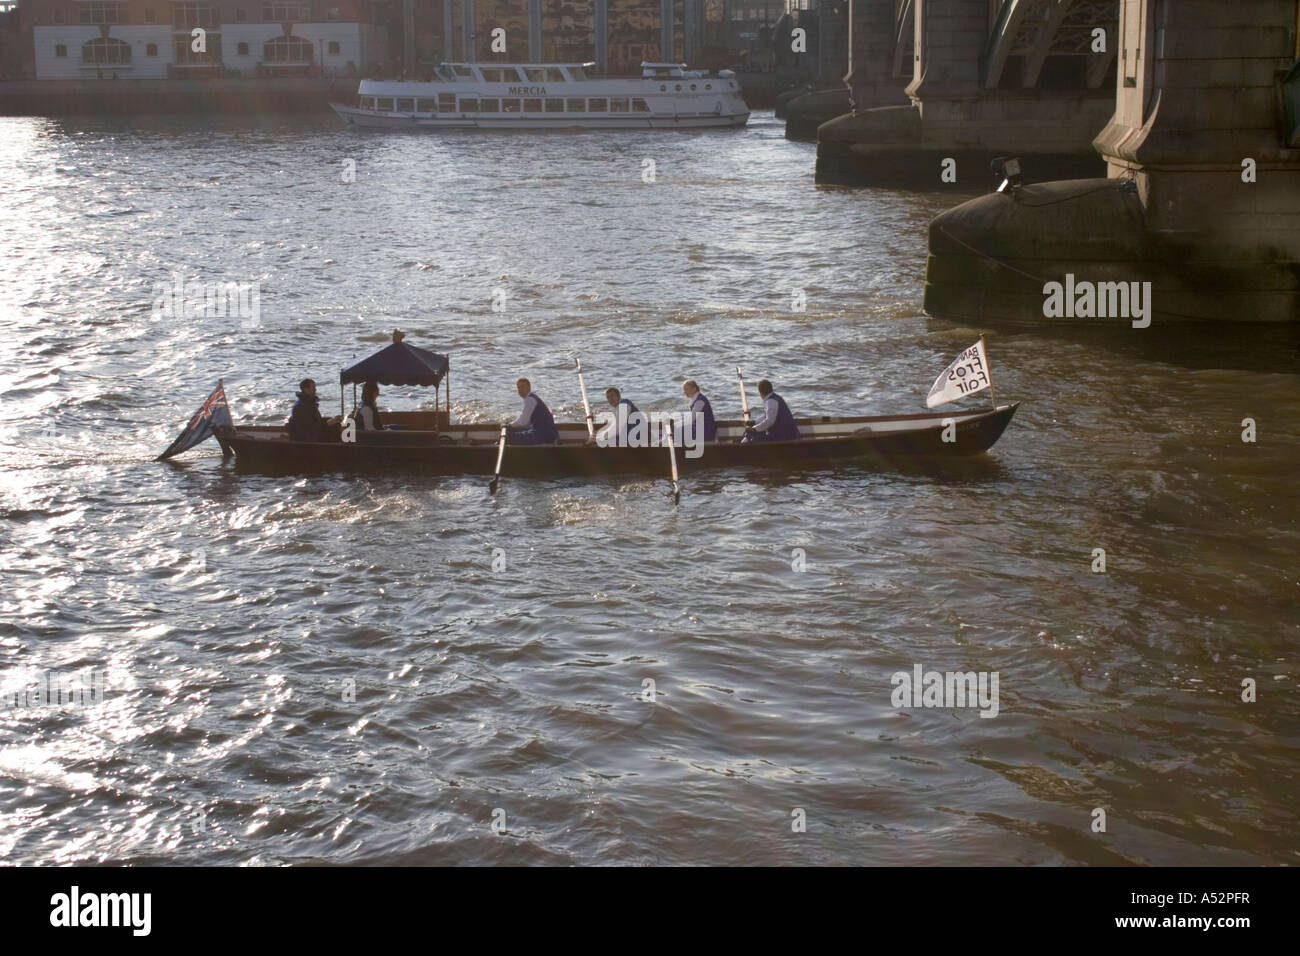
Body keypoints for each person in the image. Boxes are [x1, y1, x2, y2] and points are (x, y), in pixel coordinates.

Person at [506, 377, 558, 445]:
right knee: (511, 431)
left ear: (529, 388)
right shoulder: (532, 398)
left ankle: (496, 446)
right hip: (544, 433)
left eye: (522, 387)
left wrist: (509, 425)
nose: (520, 390)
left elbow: (523, 422)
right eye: (518, 387)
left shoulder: (530, 399)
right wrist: (511, 426)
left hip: (544, 435)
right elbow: (526, 422)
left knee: (509, 436)